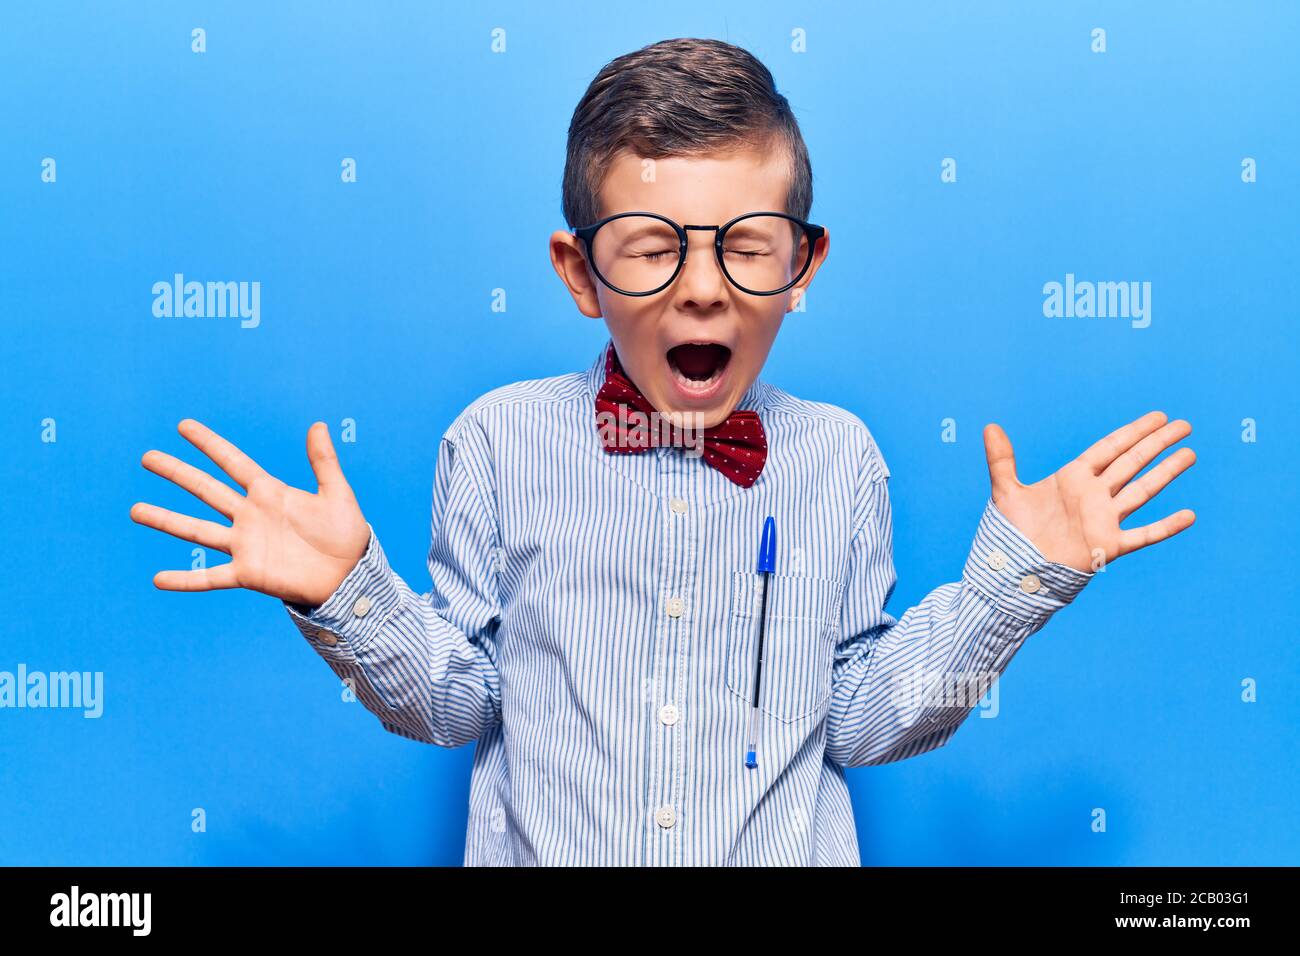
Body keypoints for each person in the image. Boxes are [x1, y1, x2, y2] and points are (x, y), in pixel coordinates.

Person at [129, 37, 1196, 865]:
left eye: (745, 245)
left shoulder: (838, 458)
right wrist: (346, 595)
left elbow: (863, 717)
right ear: (579, 271)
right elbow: (458, 702)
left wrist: (1007, 588)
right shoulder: (496, 441)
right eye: (650, 247)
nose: (700, 286)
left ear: (803, 261)